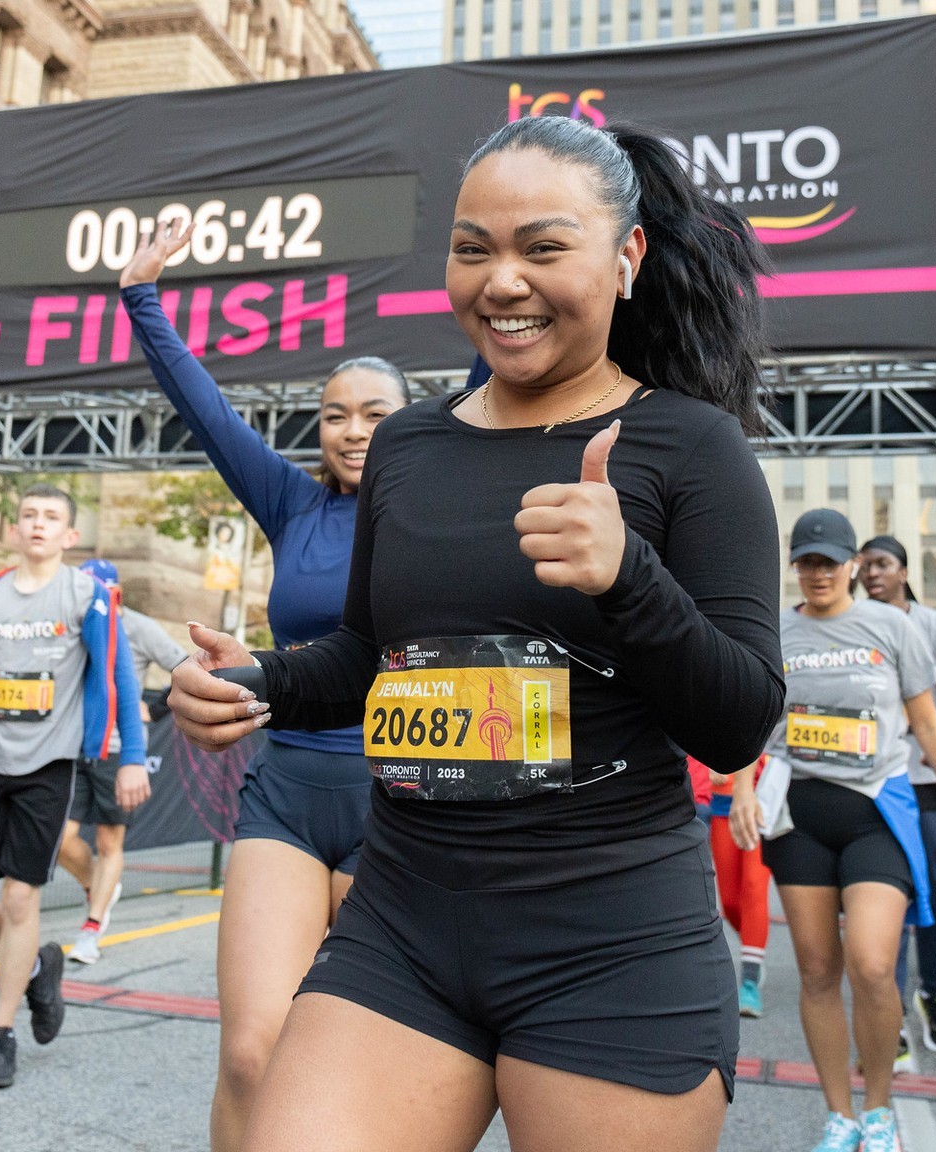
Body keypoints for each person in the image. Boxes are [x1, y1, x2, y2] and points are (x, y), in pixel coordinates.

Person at [165, 115, 783, 1152]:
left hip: (611, 944)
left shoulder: (691, 447)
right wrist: (256, 680)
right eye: (473, 249)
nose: (502, 283)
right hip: (402, 928)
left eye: (543, 248)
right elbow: (370, 659)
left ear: (625, 257)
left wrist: (630, 577)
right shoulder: (407, 446)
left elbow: (737, 722)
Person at [117, 235, 412, 1152]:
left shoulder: (439, 503)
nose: (352, 429)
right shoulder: (291, 505)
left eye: (373, 413)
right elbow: (205, 412)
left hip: (400, 806)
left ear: (414, 421)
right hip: (285, 795)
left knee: (364, 1068)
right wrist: (142, 301)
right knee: (250, 1054)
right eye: (333, 414)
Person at [730, 508, 936, 1152]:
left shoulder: (891, 627)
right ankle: (839, 1116)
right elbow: (747, 719)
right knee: (819, 970)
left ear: (852, 564)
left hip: (877, 808)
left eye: (829, 561)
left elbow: (928, 726)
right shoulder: (776, 632)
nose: (818, 573)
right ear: (795, 567)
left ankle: (879, 1110)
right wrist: (740, 787)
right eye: (807, 562)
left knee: (874, 964)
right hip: (800, 816)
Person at [0, 483, 147, 1090]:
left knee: (21, 900)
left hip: (49, 768)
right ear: (13, 530)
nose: (38, 524)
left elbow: (120, 679)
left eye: (52, 517)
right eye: (28, 515)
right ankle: (39, 968)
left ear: (70, 536)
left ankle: (0, 1036)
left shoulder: (88, 596)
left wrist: (133, 757)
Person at [859, 535, 936, 1057]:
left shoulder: (933, 626)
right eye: (863, 566)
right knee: (886, 899)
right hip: (875, 786)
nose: (871, 574)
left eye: (882, 564)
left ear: (904, 571)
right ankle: (892, 1012)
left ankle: (933, 993)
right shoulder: (852, 623)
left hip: (927, 787)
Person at [58, 557, 189, 964]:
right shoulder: (70, 623)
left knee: (108, 841)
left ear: (115, 594)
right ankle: (99, 885)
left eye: (95, 590)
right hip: (70, 744)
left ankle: (91, 929)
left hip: (118, 748)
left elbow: (186, 665)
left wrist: (156, 708)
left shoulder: (136, 626)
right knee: (59, 837)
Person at [706, 756, 772, 1019]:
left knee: (754, 888)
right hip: (723, 796)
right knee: (731, 901)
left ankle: (749, 980)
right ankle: (753, 950)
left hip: (765, 792)